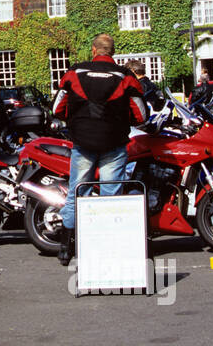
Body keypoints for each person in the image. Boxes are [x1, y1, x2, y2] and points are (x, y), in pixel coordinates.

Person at [51, 34, 147, 265]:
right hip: (113, 143)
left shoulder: (74, 73)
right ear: (113, 52)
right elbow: (141, 115)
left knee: (76, 192)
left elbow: (57, 108)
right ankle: (105, 246)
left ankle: (66, 247)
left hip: (83, 143)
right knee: (110, 195)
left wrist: (76, 120)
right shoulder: (126, 77)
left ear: (93, 50)